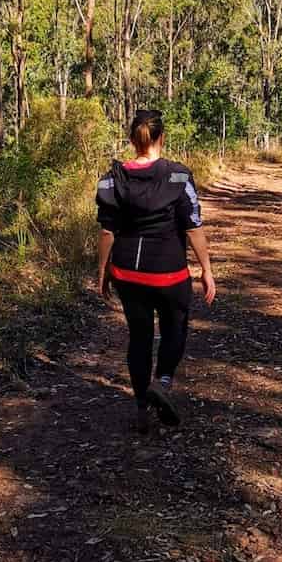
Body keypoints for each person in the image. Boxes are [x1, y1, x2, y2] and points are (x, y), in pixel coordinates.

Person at [95, 109, 216, 430]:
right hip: (168, 272)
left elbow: (107, 231)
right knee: (175, 328)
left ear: (132, 140)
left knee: (139, 336)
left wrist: (103, 270)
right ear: (161, 138)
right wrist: (206, 269)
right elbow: (193, 227)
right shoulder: (178, 176)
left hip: (127, 273)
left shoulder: (112, 180)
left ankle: (141, 407)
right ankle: (162, 382)